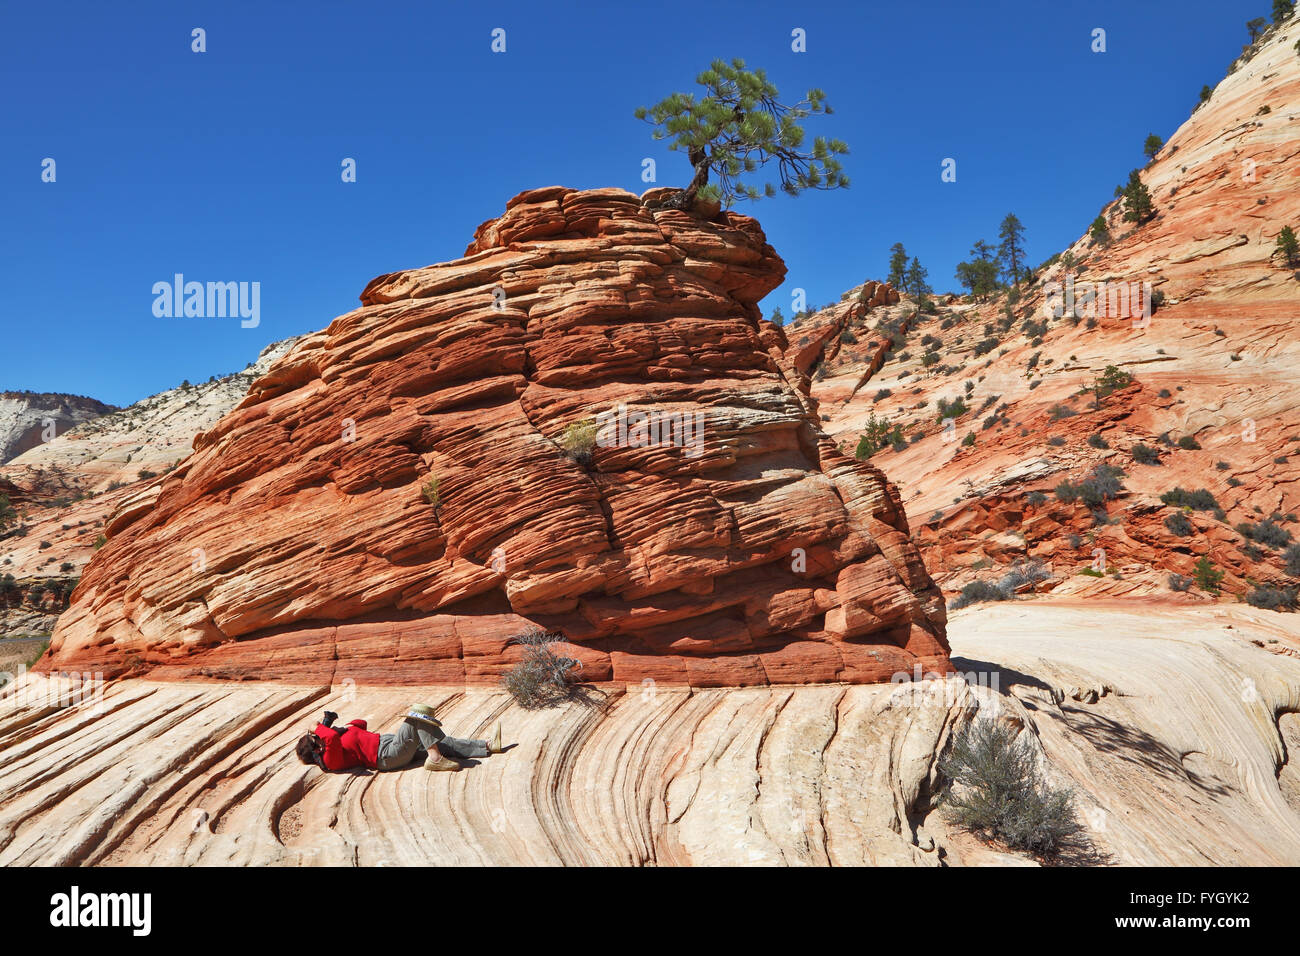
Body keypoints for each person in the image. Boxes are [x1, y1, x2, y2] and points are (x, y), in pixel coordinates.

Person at [295, 704, 506, 773]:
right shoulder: (329, 760)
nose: (319, 737)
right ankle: (435, 760)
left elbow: (360, 723)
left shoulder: (333, 742)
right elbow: (331, 738)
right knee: (416, 718)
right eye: (316, 739)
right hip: (387, 756)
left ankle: (488, 746)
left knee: (440, 743)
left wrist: (337, 728)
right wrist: (318, 727)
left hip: (391, 744)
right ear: (315, 750)